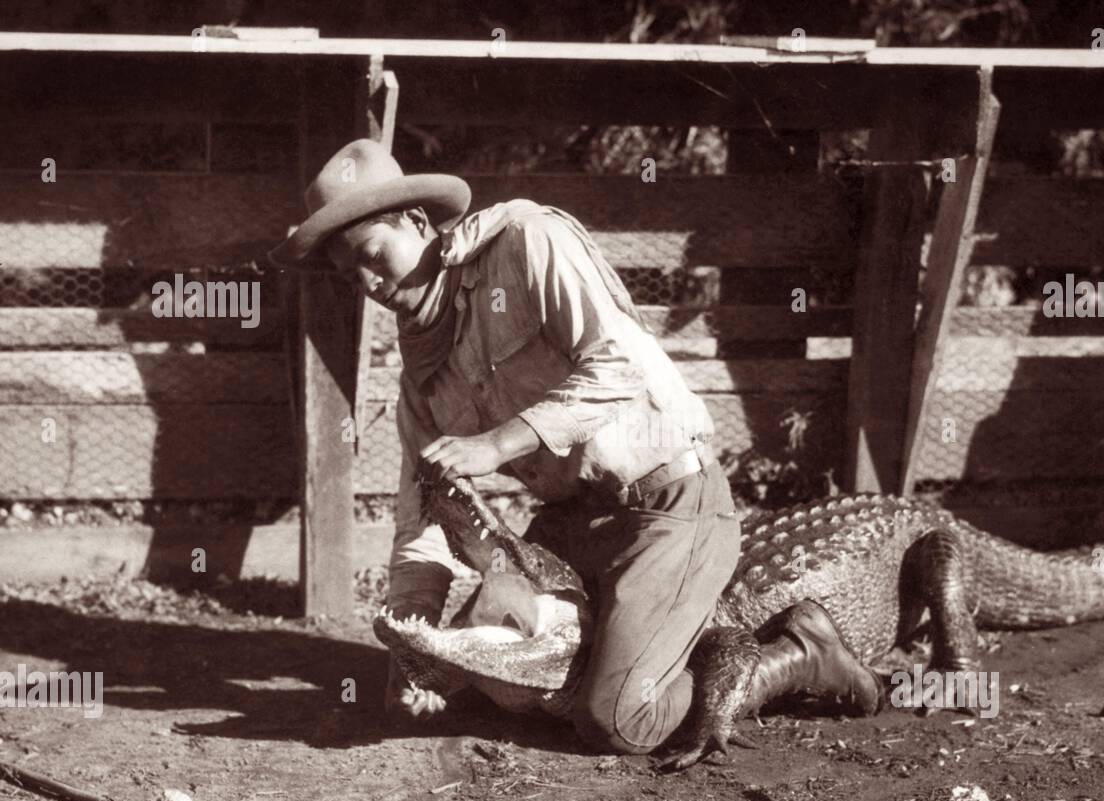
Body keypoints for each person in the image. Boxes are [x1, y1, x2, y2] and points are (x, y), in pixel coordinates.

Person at [270, 139, 879, 755]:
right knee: (462, 679)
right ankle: (645, 648)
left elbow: (619, 366)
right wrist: (414, 645)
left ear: (417, 221)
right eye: (354, 276)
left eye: (375, 256)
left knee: (615, 720)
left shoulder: (529, 241)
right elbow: (422, 518)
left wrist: (497, 443)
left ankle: (797, 656)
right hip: (572, 525)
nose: (371, 283)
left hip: (667, 501)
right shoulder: (421, 366)